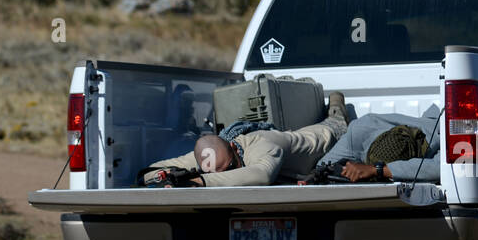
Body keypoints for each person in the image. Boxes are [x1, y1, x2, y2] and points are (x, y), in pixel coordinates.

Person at [141, 92, 348, 187]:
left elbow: (261, 174)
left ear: (233, 147)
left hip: (327, 139)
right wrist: (165, 177)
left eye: (230, 168)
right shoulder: (214, 156)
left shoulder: (264, 147)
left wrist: (198, 181)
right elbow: (151, 171)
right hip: (294, 145)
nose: (228, 174)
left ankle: (336, 103)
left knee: (336, 119)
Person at [314, 106, 443, 182]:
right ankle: (337, 108)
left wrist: (376, 171)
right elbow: (322, 166)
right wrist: (312, 179)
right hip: (343, 127)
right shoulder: (361, 130)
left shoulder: (440, 140)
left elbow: (439, 169)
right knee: (333, 127)